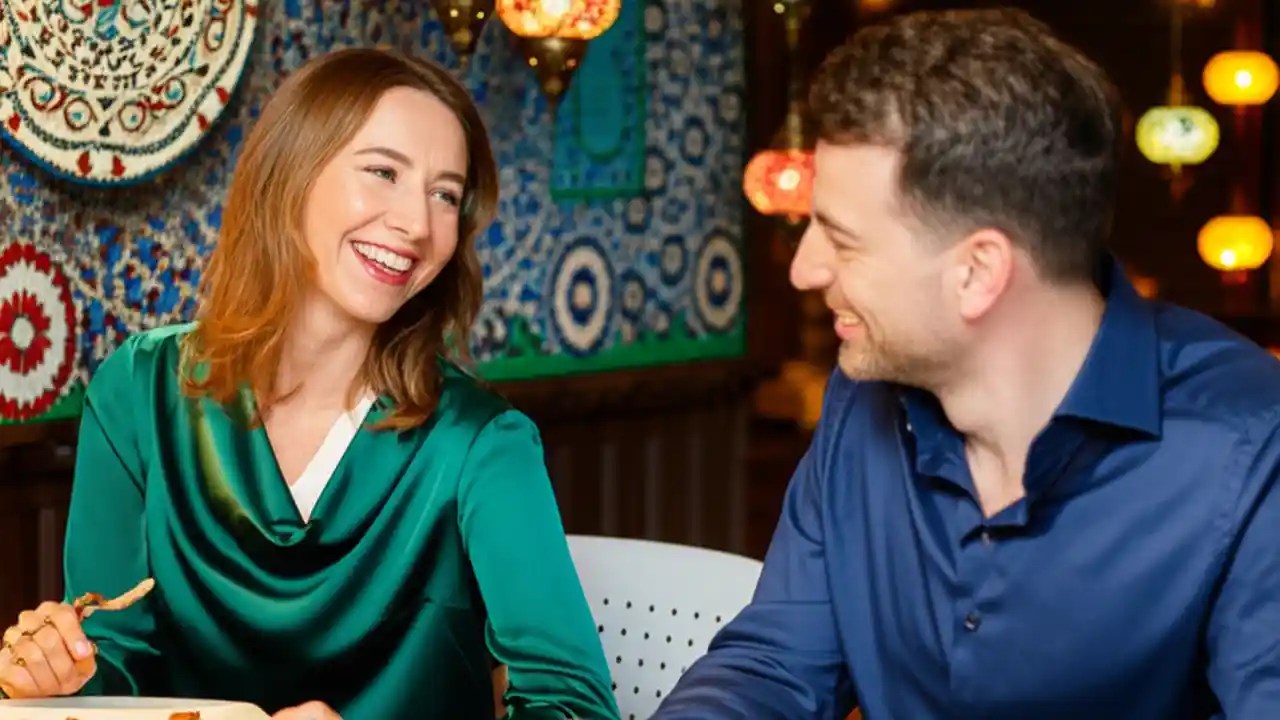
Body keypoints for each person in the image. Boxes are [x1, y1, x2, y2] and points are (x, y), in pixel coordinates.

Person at [655, 8, 1280, 720]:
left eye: (841, 238)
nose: (803, 269)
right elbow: (772, 668)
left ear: (978, 272)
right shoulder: (861, 404)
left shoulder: (1251, 446)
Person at [0, 47, 621, 720]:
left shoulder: (483, 443)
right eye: (383, 172)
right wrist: (55, 675)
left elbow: (575, 709)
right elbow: (115, 664)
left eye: (445, 194)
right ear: (290, 172)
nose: (416, 225)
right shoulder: (138, 391)